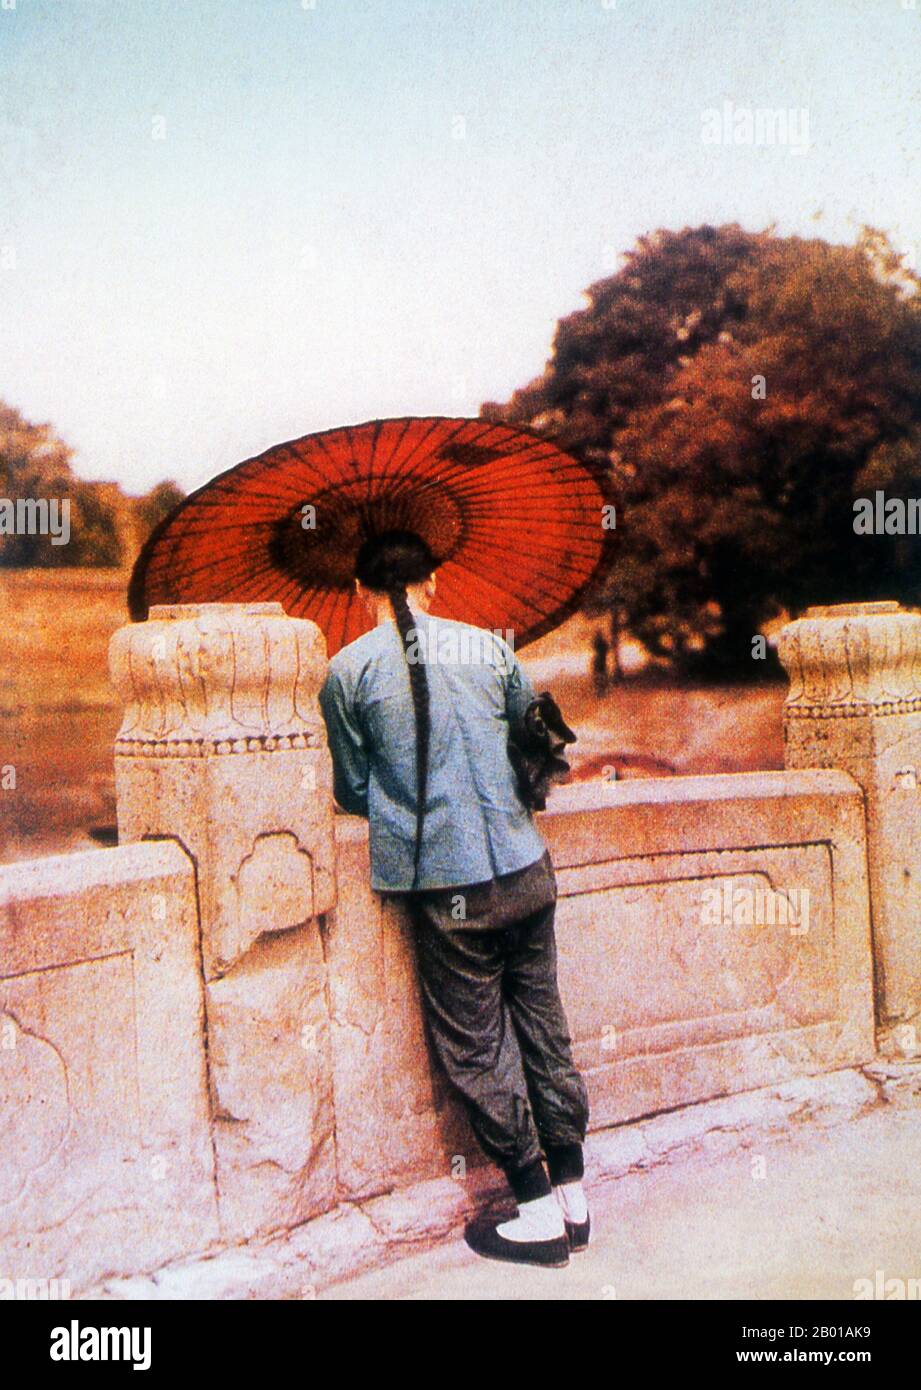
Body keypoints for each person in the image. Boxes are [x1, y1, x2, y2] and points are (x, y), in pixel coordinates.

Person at [318, 529, 591, 1269]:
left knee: (476, 1046)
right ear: (432, 581)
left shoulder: (345, 672)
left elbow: (350, 790)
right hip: (527, 868)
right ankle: (574, 1198)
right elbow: (525, 739)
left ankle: (535, 1212)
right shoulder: (490, 648)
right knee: (543, 1025)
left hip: (451, 889)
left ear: (357, 592)